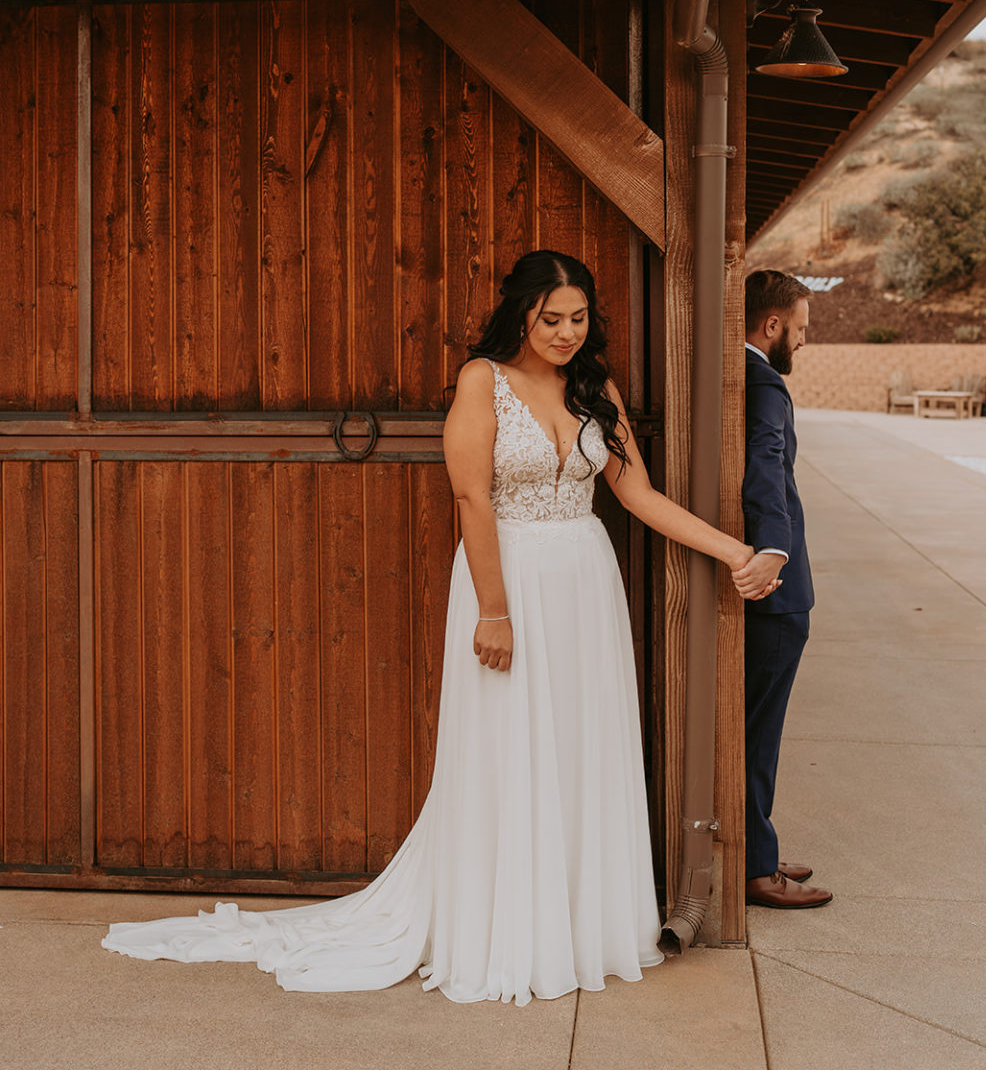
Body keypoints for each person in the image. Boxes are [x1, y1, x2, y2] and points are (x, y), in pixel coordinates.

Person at [103, 250, 779, 1003]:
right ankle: (504, 928)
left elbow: (639, 494)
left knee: (579, 745)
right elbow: (472, 500)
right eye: (550, 318)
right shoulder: (482, 380)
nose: (564, 332)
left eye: (578, 319)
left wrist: (734, 553)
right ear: (520, 313)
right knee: (508, 746)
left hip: (586, 584)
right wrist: (495, 609)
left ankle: (576, 924)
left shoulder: (596, 386)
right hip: (510, 576)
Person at [742, 270, 832, 910]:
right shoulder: (764, 381)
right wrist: (775, 549)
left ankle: (761, 849)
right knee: (757, 731)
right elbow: (765, 460)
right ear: (771, 325)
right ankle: (755, 867)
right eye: (798, 330)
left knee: (756, 729)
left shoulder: (742, 373)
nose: (801, 343)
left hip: (774, 584)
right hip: (776, 588)